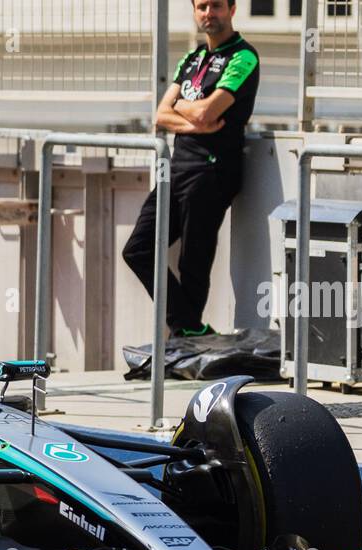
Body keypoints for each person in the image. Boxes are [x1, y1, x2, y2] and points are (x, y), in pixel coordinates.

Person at [121, 0, 259, 337]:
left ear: (232, 8)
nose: (208, 13)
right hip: (179, 169)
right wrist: (191, 115)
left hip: (213, 171)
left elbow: (208, 113)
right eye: (201, 6)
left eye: (216, 6)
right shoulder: (193, 58)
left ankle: (186, 332)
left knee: (193, 262)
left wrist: (182, 108)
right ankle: (190, 327)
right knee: (138, 249)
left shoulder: (243, 56)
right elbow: (160, 116)